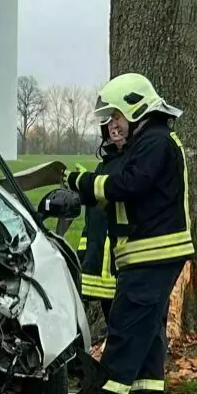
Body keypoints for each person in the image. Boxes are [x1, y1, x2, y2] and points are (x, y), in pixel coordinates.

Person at [65, 73, 193, 394]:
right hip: (152, 251)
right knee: (149, 327)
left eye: (116, 117)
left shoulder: (155, 142)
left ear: (136, 109)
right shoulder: (150, 141)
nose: (112, 127)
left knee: (125, 324)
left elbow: (130, 184)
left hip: (153, 251)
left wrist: (84, 184)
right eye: (107, 121)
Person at [75, 122, 127, 320]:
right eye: (109, 125)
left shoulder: (131, 162)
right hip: (99, 259)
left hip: (118, 263)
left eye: (119, 123)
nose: (114, 129)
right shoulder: (105, 163)